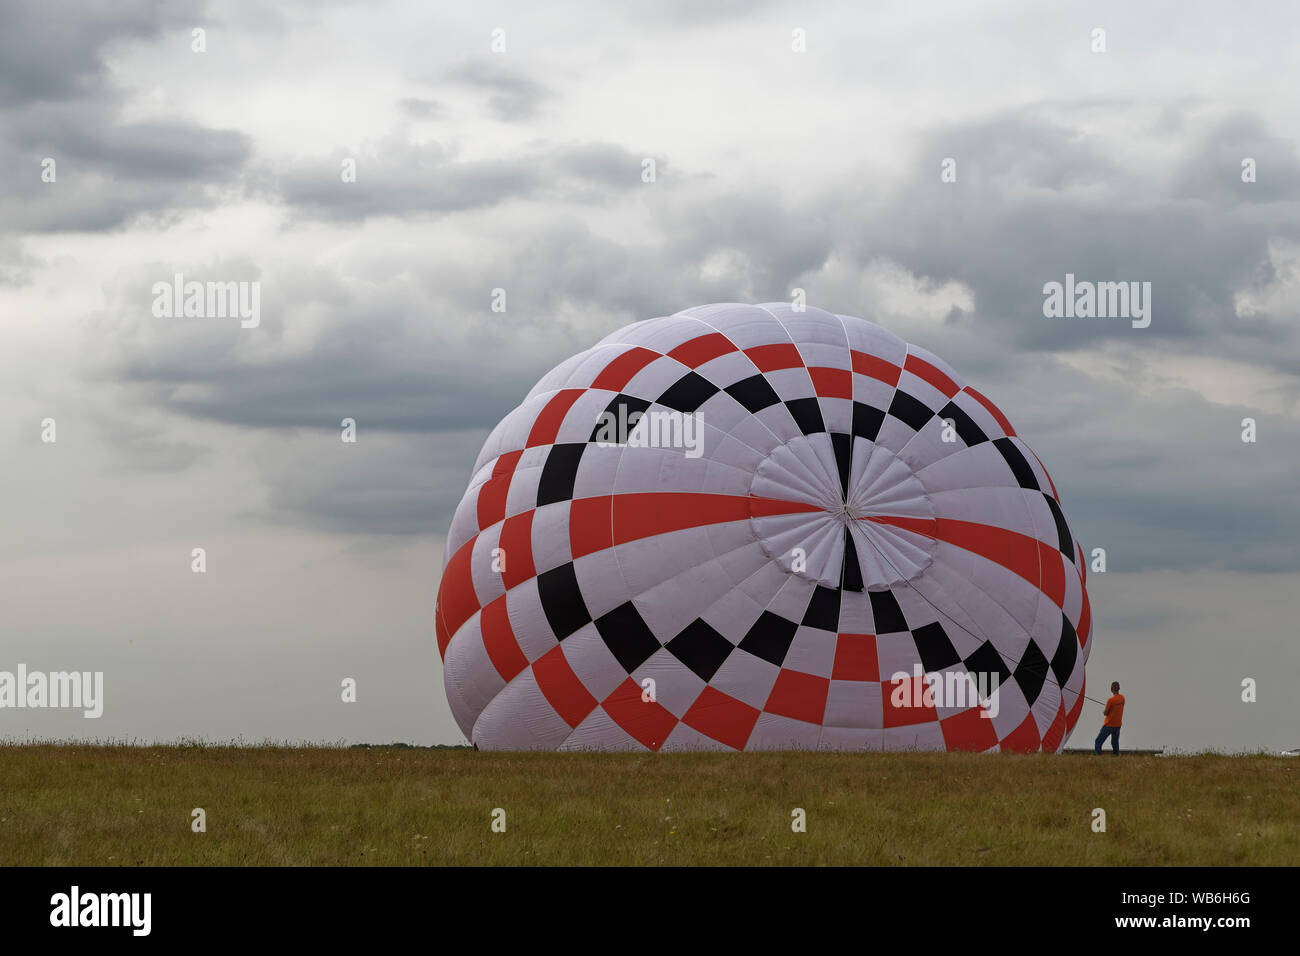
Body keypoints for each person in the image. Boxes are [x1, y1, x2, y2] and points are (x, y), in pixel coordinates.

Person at [1094, 681, 1124, 755]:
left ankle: (1098, 755)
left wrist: (1105, 709)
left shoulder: (1110, 700)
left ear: (1111, 689)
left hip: (1109, 724)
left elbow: (1105, 713)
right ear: (1119, 688)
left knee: (1098, 741)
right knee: (1115, 742)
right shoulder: (1122, 698)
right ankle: (1116, 756)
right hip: (1118, 725)